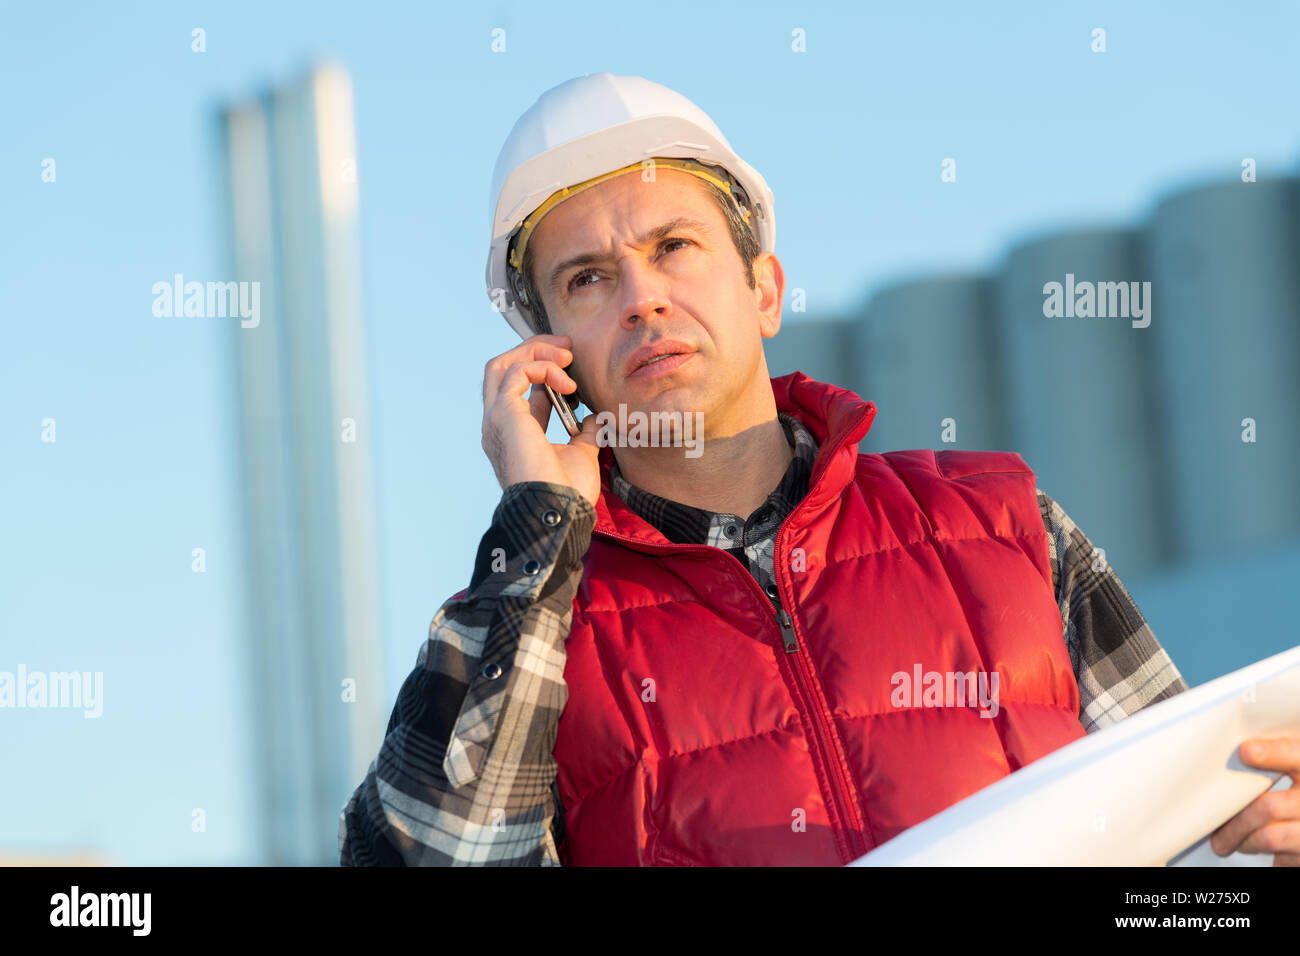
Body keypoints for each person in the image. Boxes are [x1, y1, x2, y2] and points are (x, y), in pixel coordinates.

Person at [339, 73, 1299, 866]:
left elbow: (1198, 847)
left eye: (674, 246)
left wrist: (1268, 850)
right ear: (554, 356)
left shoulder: (1005, 527)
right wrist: (537, 531)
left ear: (763, 289)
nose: (642, 298)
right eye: (588, 278)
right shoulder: (533, 632)